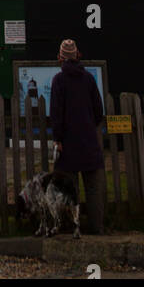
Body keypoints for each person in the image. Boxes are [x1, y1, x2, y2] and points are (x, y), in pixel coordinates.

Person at [49, 38, 105, 235]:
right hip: (89, 141)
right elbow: (99, 111)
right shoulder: (89, 79)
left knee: (70, 190)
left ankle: (73, 228)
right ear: (77, 56)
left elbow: (56, 113)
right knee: (93, 190)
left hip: (68, 144)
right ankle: (98, 228)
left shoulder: (58, 81)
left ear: (60, 58)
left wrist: (58, 138)